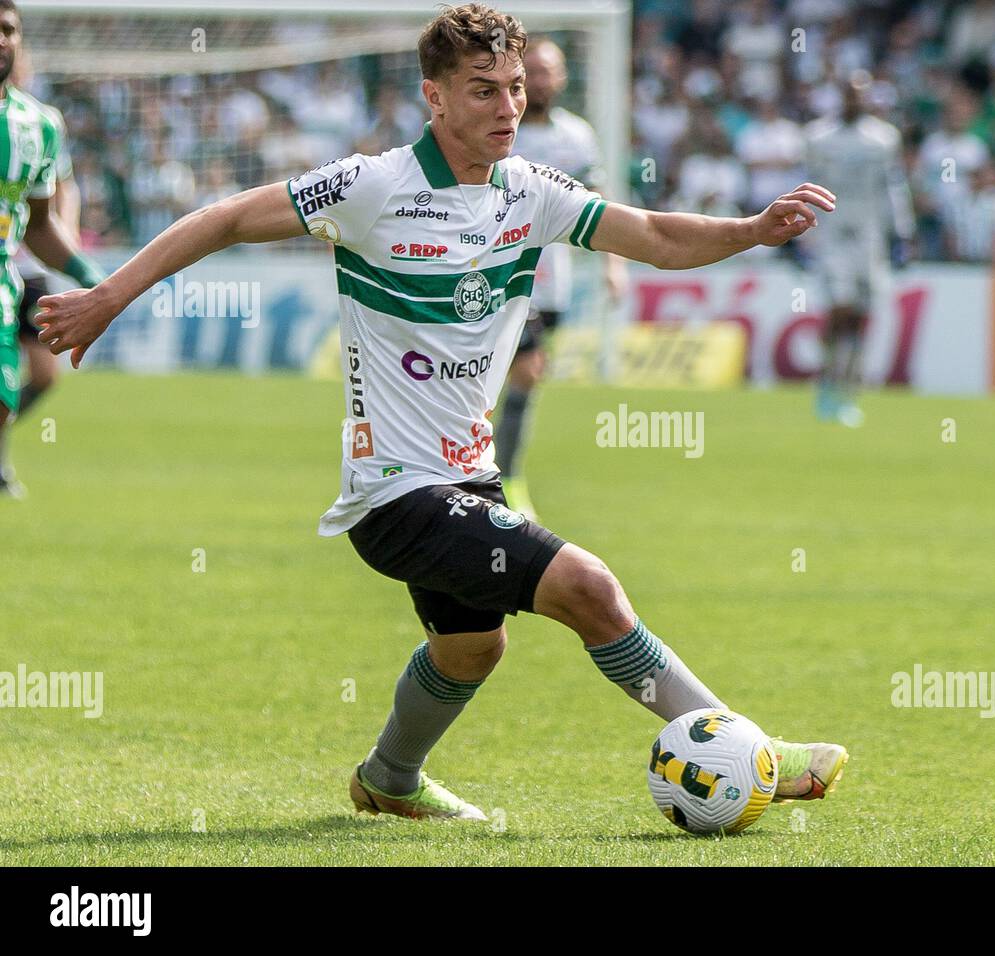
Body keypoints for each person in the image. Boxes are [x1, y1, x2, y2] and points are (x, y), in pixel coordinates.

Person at [37, 3, 848, 821]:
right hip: (393, 493)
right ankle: (757, 752)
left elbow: (657, 237)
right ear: (434, 98)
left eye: (518, 88)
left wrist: (749, 229)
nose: (508, 109)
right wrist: (109, 296)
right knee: (590, 589)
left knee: (470, 647)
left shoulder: (531, 191)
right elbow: (228, 218)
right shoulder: (373, 186)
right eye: (483, 91)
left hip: (469, 478)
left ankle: (388, 779)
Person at [494, 36, 624, 520]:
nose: (543, 80)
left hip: (553, 280)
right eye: (535, 72)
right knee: (522, 371)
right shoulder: (501, 129)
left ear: (563, 77)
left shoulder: (577, 136)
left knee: (523, 376)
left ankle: (493, 471)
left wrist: (613, 264)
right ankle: (505, 479)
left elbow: (599, 205)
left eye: (550, 71)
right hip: (500, 272)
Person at [0, 0, 104, 499]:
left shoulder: (36, 127)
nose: (2, 41)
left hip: (12, 277)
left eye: (8, 30)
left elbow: (40, 220)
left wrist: (94, 279)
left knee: (35, 380)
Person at [802, 70, 914, 427]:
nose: (855, 100)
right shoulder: (819, 137)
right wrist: (801, 235)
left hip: (869, 237)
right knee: (838, 309)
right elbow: (807, 185)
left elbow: (892, 186)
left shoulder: (882, 139)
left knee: (861, 315)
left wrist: (902, 232)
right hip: (833, 235)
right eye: (849, 94)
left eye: (860, 94)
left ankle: (849, 390)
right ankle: (827, 381)